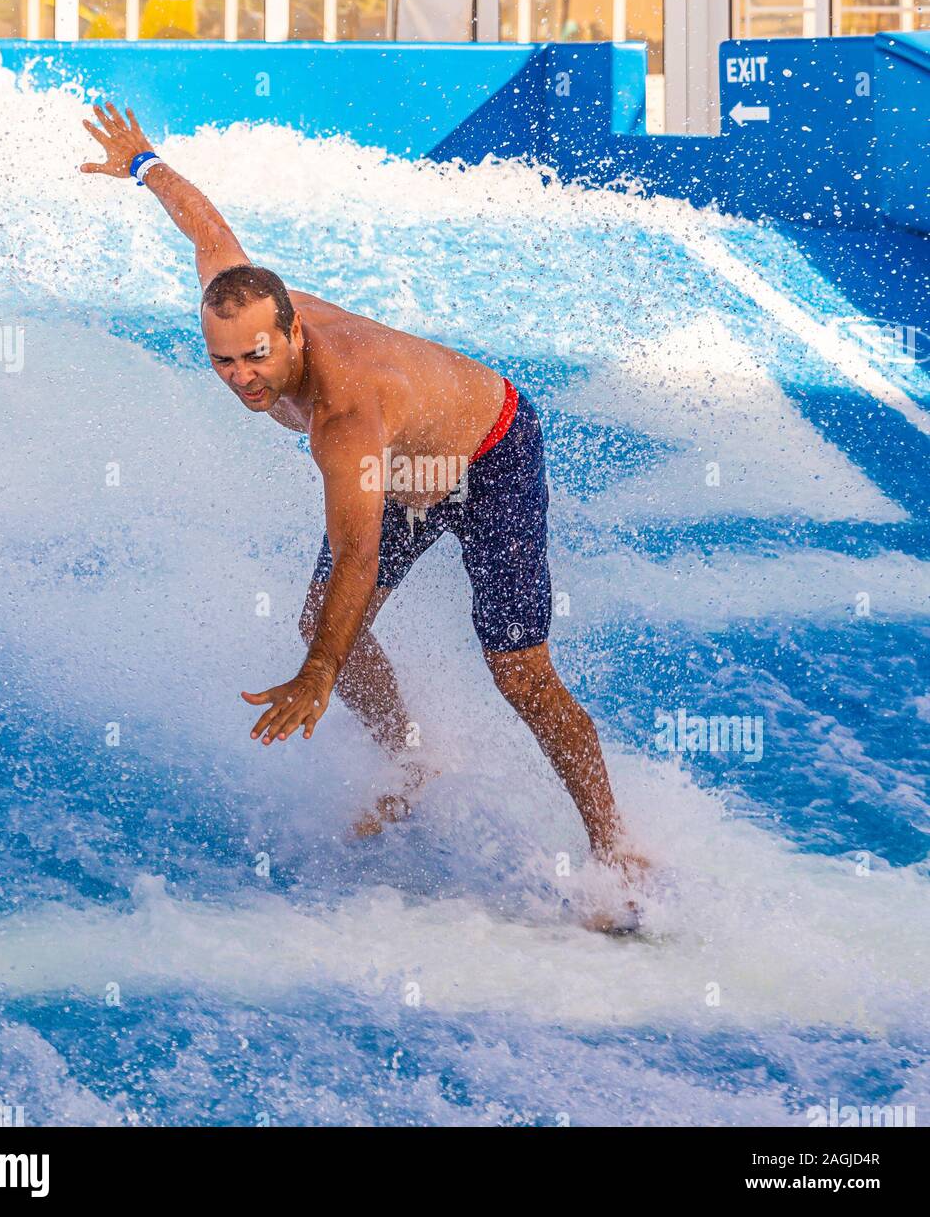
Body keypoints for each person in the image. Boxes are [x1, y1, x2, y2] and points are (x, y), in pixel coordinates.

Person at [80, 102, 647, 887]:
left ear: (294, 332)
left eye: (256, 357)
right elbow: (208, 233)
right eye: (223, 362)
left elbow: (357, 554)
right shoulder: (240, 298)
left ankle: (614, 842)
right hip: (404, 461)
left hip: (490, 452)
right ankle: (413, 766)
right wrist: (146, 165)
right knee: (328, 625)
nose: (242, 375)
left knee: (518, 670)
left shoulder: (344, 418)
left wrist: (315, 676)